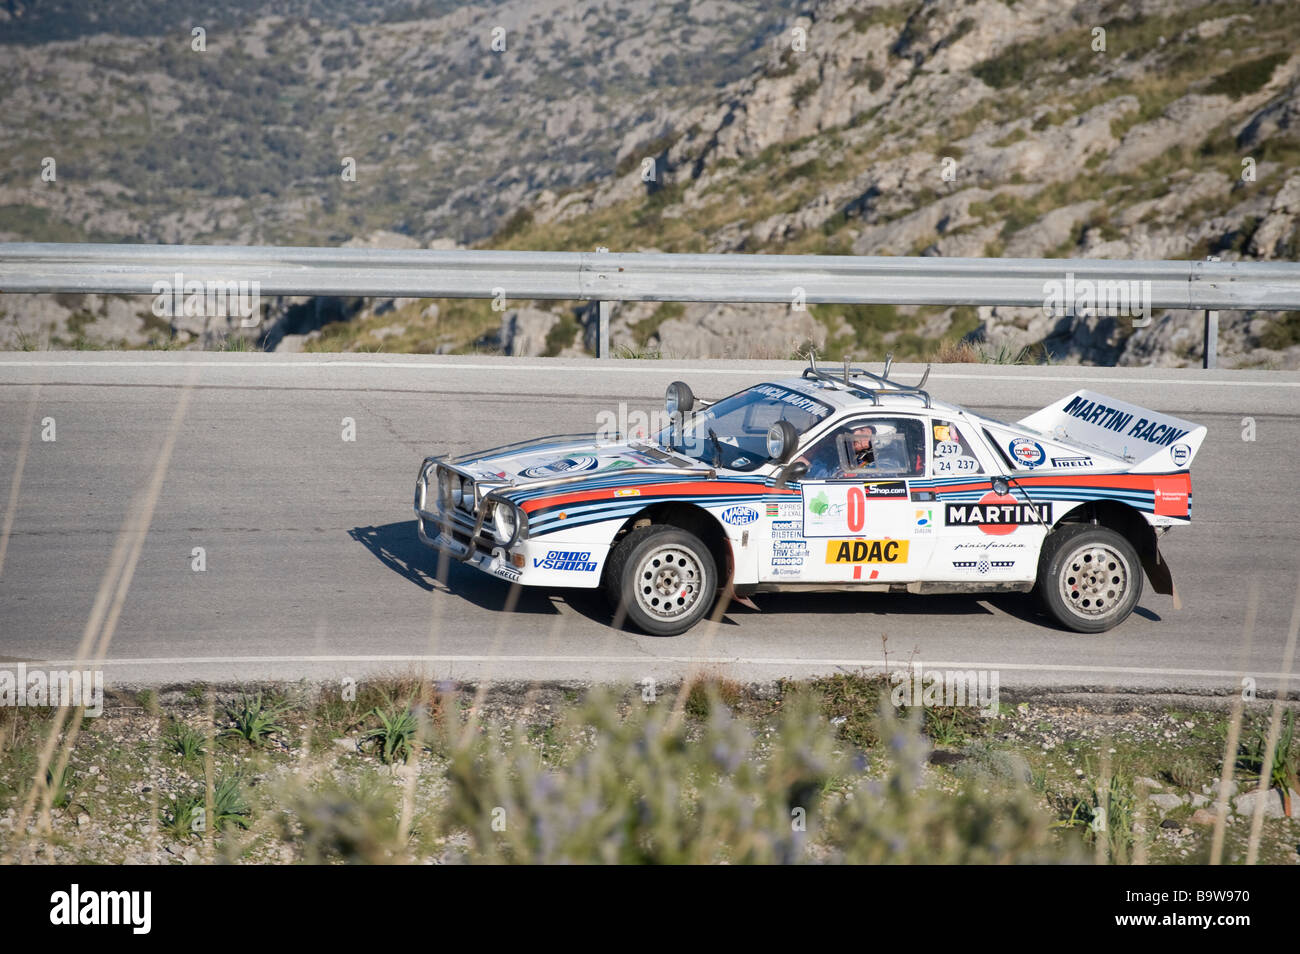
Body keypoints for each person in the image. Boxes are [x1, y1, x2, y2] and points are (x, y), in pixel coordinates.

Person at [798, 424, 876, 478]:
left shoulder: (864, 464)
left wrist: (806, 465)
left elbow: (828, 479)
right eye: (859, 429)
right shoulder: (837, 446)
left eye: (865, 435)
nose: (856, 433)